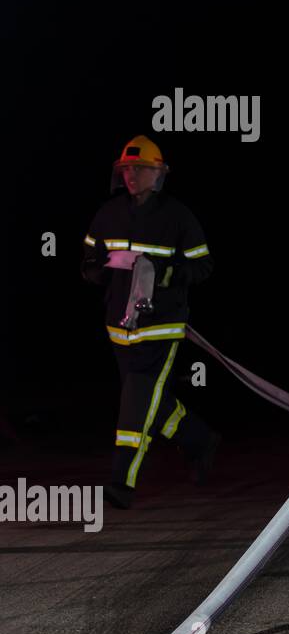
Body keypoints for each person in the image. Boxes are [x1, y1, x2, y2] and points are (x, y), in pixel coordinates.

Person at [81, 135, 220, 509]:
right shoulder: (107, 214)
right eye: (127, 169)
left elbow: (203, 265)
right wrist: (95, 271)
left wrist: (166, 273)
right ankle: (198, 438)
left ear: (157, 174)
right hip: (118, 329)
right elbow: (89, 260)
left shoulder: (177, 215)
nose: (132, 175)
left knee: (137, 399)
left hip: (161, 326)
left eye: (140, 169)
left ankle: (122, 481)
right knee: (148, 401)